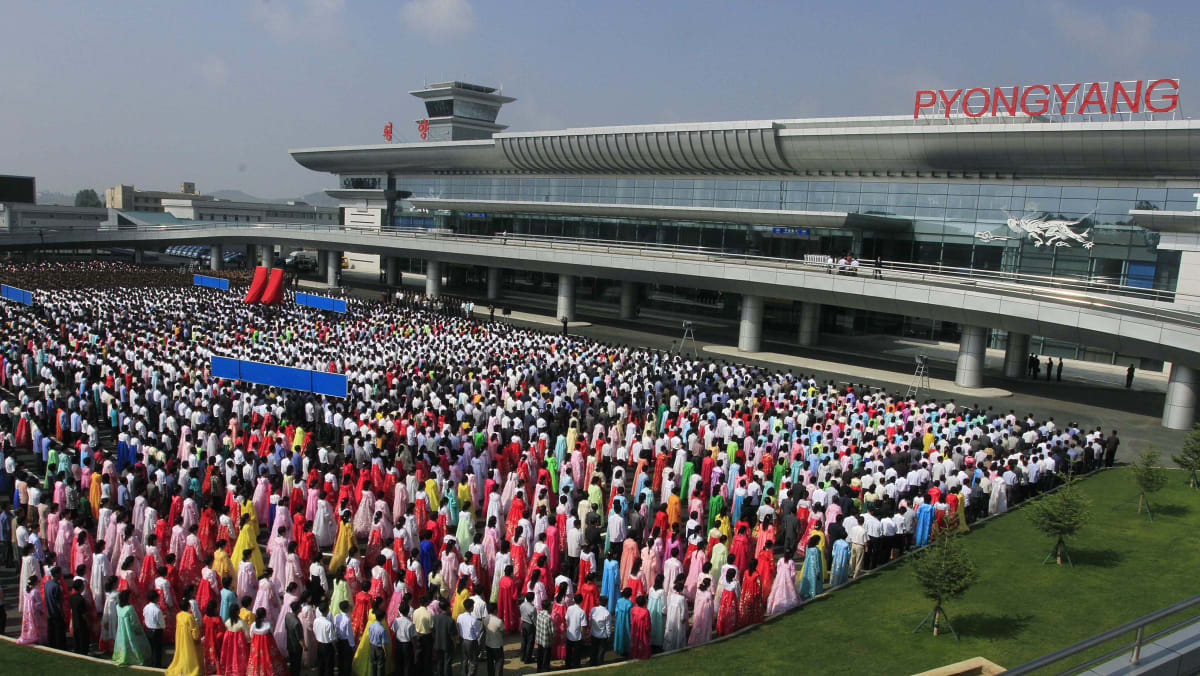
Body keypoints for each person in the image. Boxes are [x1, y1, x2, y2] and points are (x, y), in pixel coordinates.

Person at [166, 585, 204, 676]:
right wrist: (197, 639)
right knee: (189, 654)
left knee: (181, 654)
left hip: (181, 639)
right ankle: (189, 669)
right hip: (189, 640)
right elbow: (194, 630)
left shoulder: (178, 615)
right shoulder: (189, 616)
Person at [112, 589, 152, 666]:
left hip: (121, 630)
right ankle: (134, 657)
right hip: (129, 631)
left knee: (123, 643)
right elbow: (134, 621)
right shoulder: (130, 608)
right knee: (133, 644)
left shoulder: (118, 607)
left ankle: (122, 655)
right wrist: (138, 630)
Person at [457, 598, 482, 676]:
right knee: (473, 660)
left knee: (464, 659)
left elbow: (458, 626)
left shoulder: (460, 616)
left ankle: (463, 674)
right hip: (471, 641)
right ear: (471, 607)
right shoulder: (473, 619)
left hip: (463, 640)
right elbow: (477, 633)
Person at [143, 588, 166, 667]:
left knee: (151, 647)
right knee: (157, 649)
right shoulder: (157, 610)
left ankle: (152, 662)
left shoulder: (146, 607)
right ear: (156, 598)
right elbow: (161, 623)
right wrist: (163, 625)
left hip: (148, 629)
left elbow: (144, 616)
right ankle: (157, 664)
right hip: (157, 630)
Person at [45, 565, 66, 649]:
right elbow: (58, 602)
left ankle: (51, 644)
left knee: (51, 630)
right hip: (56, 612)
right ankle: (60, 646)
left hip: (49, 611)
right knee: (58, 631)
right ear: (56, 574)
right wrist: (62, 613)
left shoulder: (47, 583)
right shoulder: (56, 586)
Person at [313, 603, 337, 676]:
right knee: (329, 665)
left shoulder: (316, 620)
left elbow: (314, 631)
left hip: (319, 644)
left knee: (321, 664)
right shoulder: (328, 624)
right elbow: (332, 638)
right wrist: (335, 648)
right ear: (327, 611)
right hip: (327, 646)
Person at [482, 602, 505, 676]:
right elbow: (503, 631)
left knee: (490, 662)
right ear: (495, 610)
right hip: (497, 645)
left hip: (488, 644)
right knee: (499, 662)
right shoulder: (499, 621)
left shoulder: (486, 619)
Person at [69, 578, 91, 654]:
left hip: (75, 622)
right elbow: (83, 614)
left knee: (77, 640)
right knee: (83, 640)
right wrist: (88, 622)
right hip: (82, 623)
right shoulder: (81, 599)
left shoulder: (72, 597)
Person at [333, 600, 355, 676]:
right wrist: (352, 645)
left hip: (339, 641)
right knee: (347, 661)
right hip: (346, 642)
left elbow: (335, 627)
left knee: (340, 659)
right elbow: (349, 634)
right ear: (346, 609)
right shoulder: (347, 620)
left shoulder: (337, 616)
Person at [589, 594, 612, 666]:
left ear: (599, 601)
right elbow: (608, 626)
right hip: (602, 636)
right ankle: (599, 662)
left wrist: (591, 628)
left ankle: (592, 661)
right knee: (601, 651)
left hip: (594, 633)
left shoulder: (593, 609)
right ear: (606, 603)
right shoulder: (607, 613)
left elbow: (590, 620)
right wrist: (609, 635)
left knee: (593, 649)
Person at [285, 601, 306, 676]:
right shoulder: (296, 623)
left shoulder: (288, 616)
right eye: (300, 607)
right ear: (297, 609)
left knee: (292, 662)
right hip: (296, 647)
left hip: (289, 643)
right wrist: (304, 646)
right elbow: (300, 638)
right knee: (297, 663)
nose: (301, 608)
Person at [365, 610, 388, 676]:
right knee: (380, 667)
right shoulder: (382, 629)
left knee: (373, 666)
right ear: (383, 617)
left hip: (372, 647)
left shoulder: (371, 625)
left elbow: (370, 636)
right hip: (379, 649)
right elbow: (383, 643)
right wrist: (385, 653)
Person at [534, 599, 554, 672]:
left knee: (540, 655)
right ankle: (545, 668)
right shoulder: (549, 617)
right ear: (548, 607)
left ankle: (539, 668)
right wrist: (552, 639)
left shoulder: (539, 613)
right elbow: (551, 631)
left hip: (539, 638)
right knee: (546, 656)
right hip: (546, 640)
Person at [519, 591, 536, 664]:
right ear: (532, 599)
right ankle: (527, 659)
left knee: (523, 641)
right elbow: (534, 619)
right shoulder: (533, 608)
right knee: (530, 642)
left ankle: (522, 656)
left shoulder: (522, 605)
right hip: (530, 625)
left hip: (523, 624)